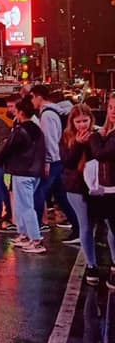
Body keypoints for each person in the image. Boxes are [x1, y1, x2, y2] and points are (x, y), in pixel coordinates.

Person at [0, 95, 46, 254]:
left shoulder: (20, 130)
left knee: (25, 206)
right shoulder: (36, 129)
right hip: (34, 171)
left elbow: (6, 149)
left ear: (20, 112)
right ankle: (25, 235)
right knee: (22, 205)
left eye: (15, 110)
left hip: (22, 171)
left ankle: (35, 239)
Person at [60, 105, 102, 284]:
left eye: (85, 121)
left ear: (91, 120)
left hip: (99, 186)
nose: (82, 125)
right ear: (72, 122)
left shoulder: (99, 134)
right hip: (76, 187)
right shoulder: (67, 137)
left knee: (104, 225)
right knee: (85, 226)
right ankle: (92, 265)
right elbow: (67, 162)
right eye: (78, 122)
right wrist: (78, 144)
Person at [31, 84, 78, 239]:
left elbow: (50, 141)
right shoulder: (52, 112)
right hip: (57, 161)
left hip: (53, 162)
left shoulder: (47, 115)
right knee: (61, 197)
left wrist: (47, 162)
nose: (32, 101)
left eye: (32, 97)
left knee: (39, 193)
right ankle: (78, 228)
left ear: (39, 97)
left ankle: (34, 231)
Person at [88, 92, 115, 290]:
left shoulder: (106, 135)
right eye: (111, 107)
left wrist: (95, 137)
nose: (113, 112)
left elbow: (100, 154)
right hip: (107, 188)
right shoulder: (108, 131)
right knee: (111, 229)